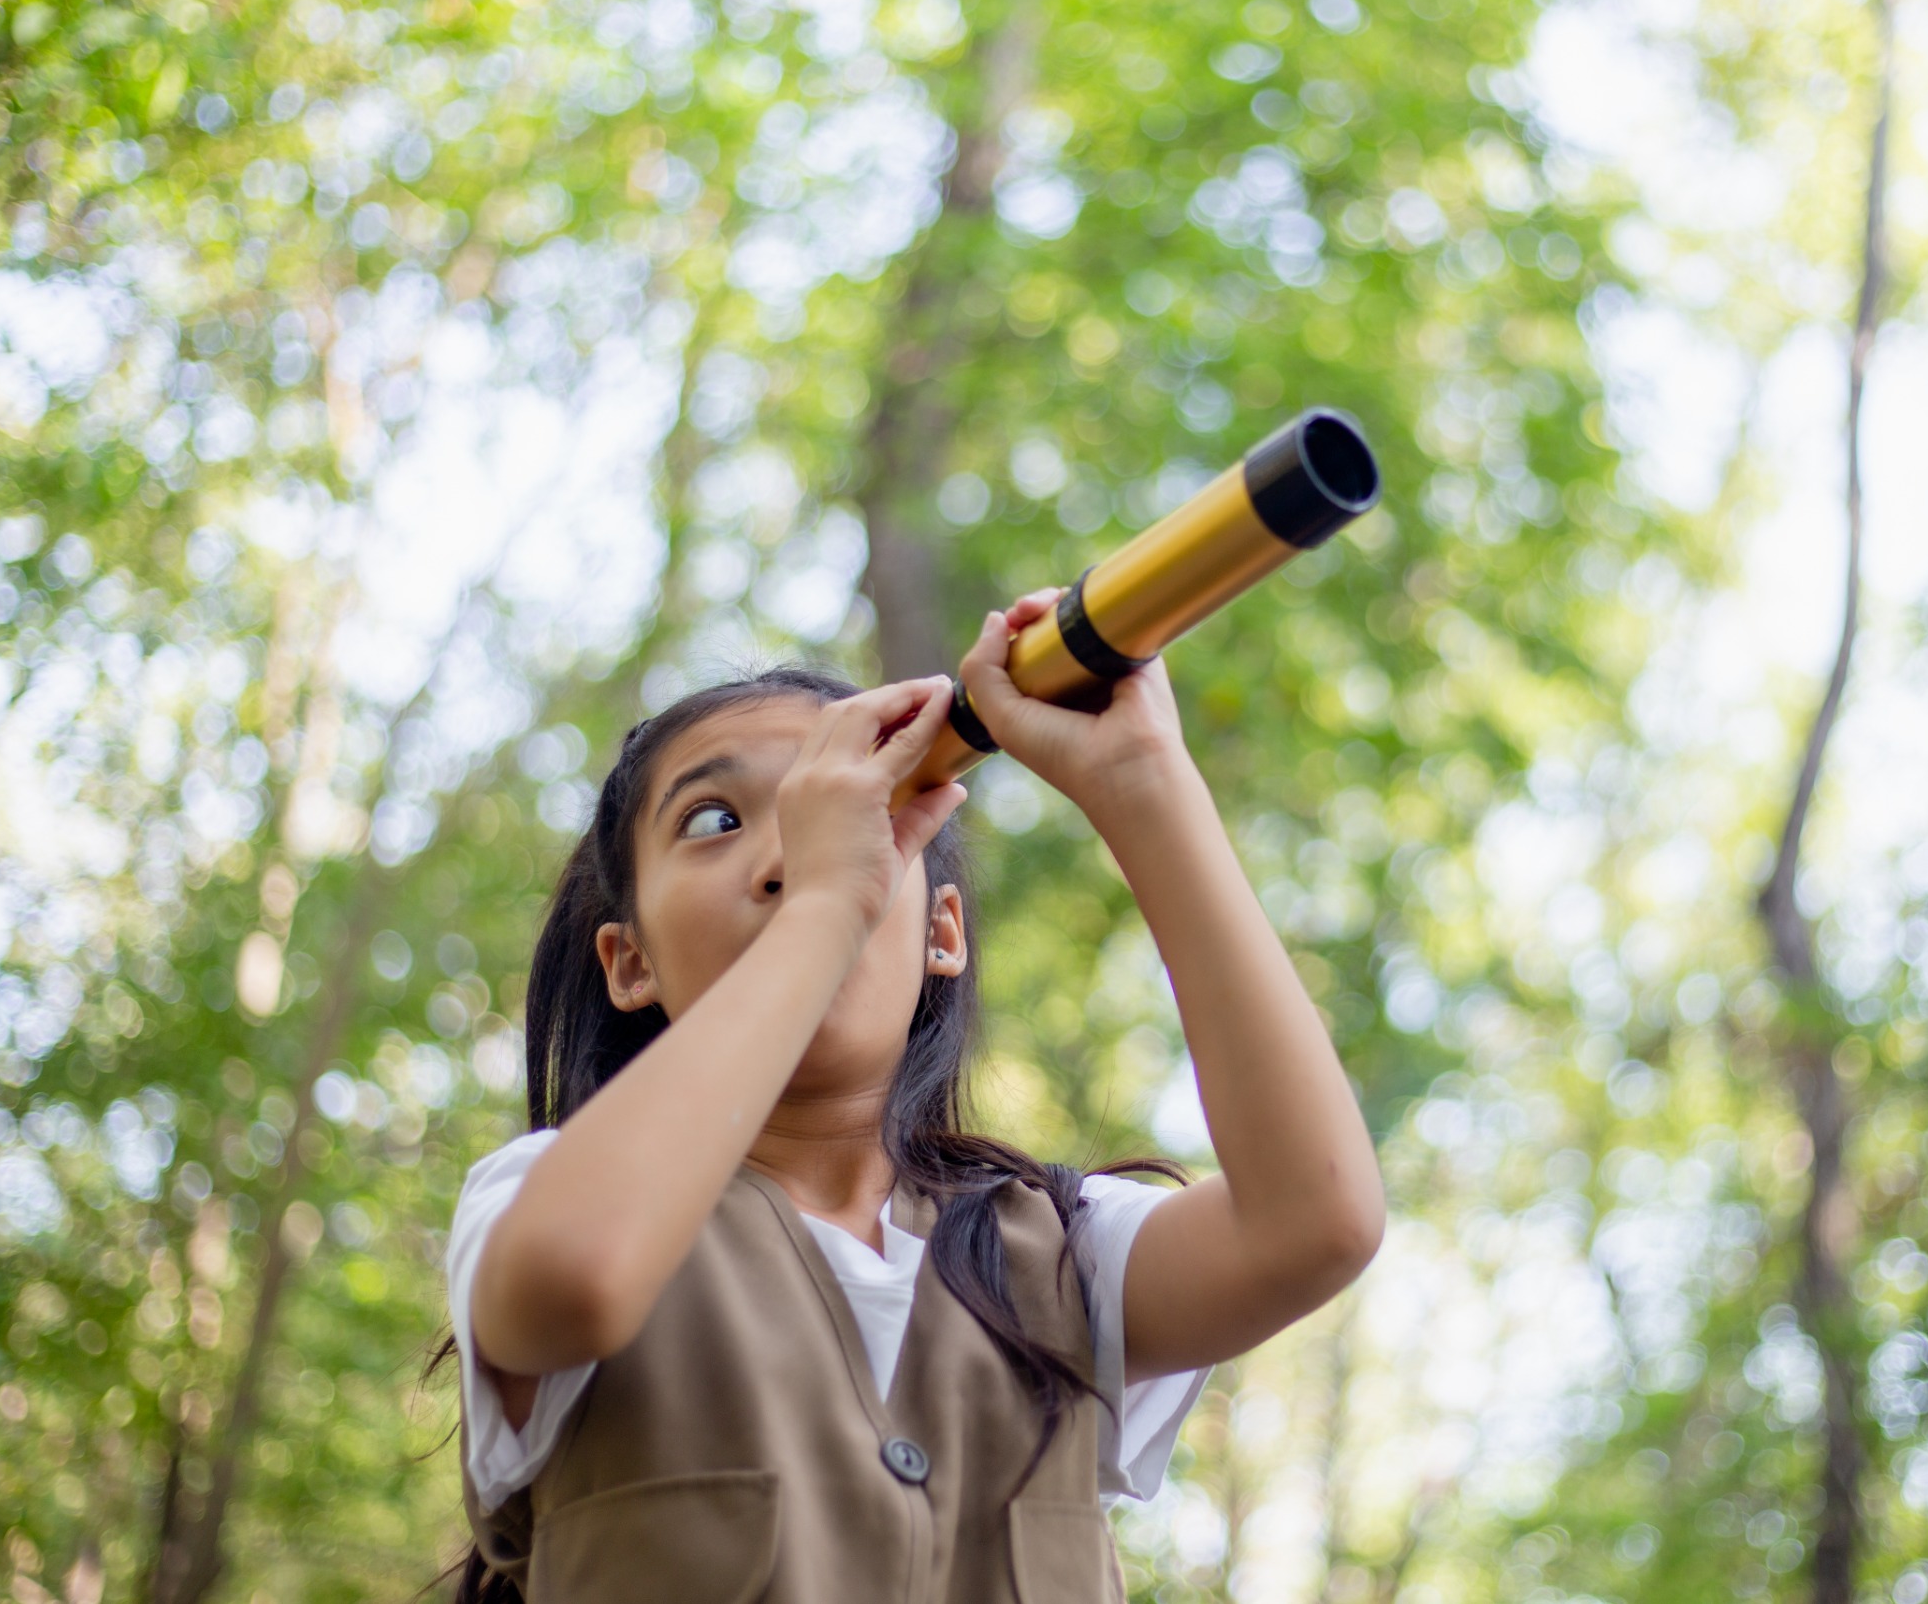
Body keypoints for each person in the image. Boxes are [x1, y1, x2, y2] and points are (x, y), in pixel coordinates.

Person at [442, 590, 1385, 1602]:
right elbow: (575, 1276)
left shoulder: (1059, 1254)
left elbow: (1316, 1220)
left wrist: (1143, 780)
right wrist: (825, 899)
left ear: (941, 931)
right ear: (630, 963)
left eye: (848, 815)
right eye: (715, 819)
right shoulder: (548, 1192)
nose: (791, 853)